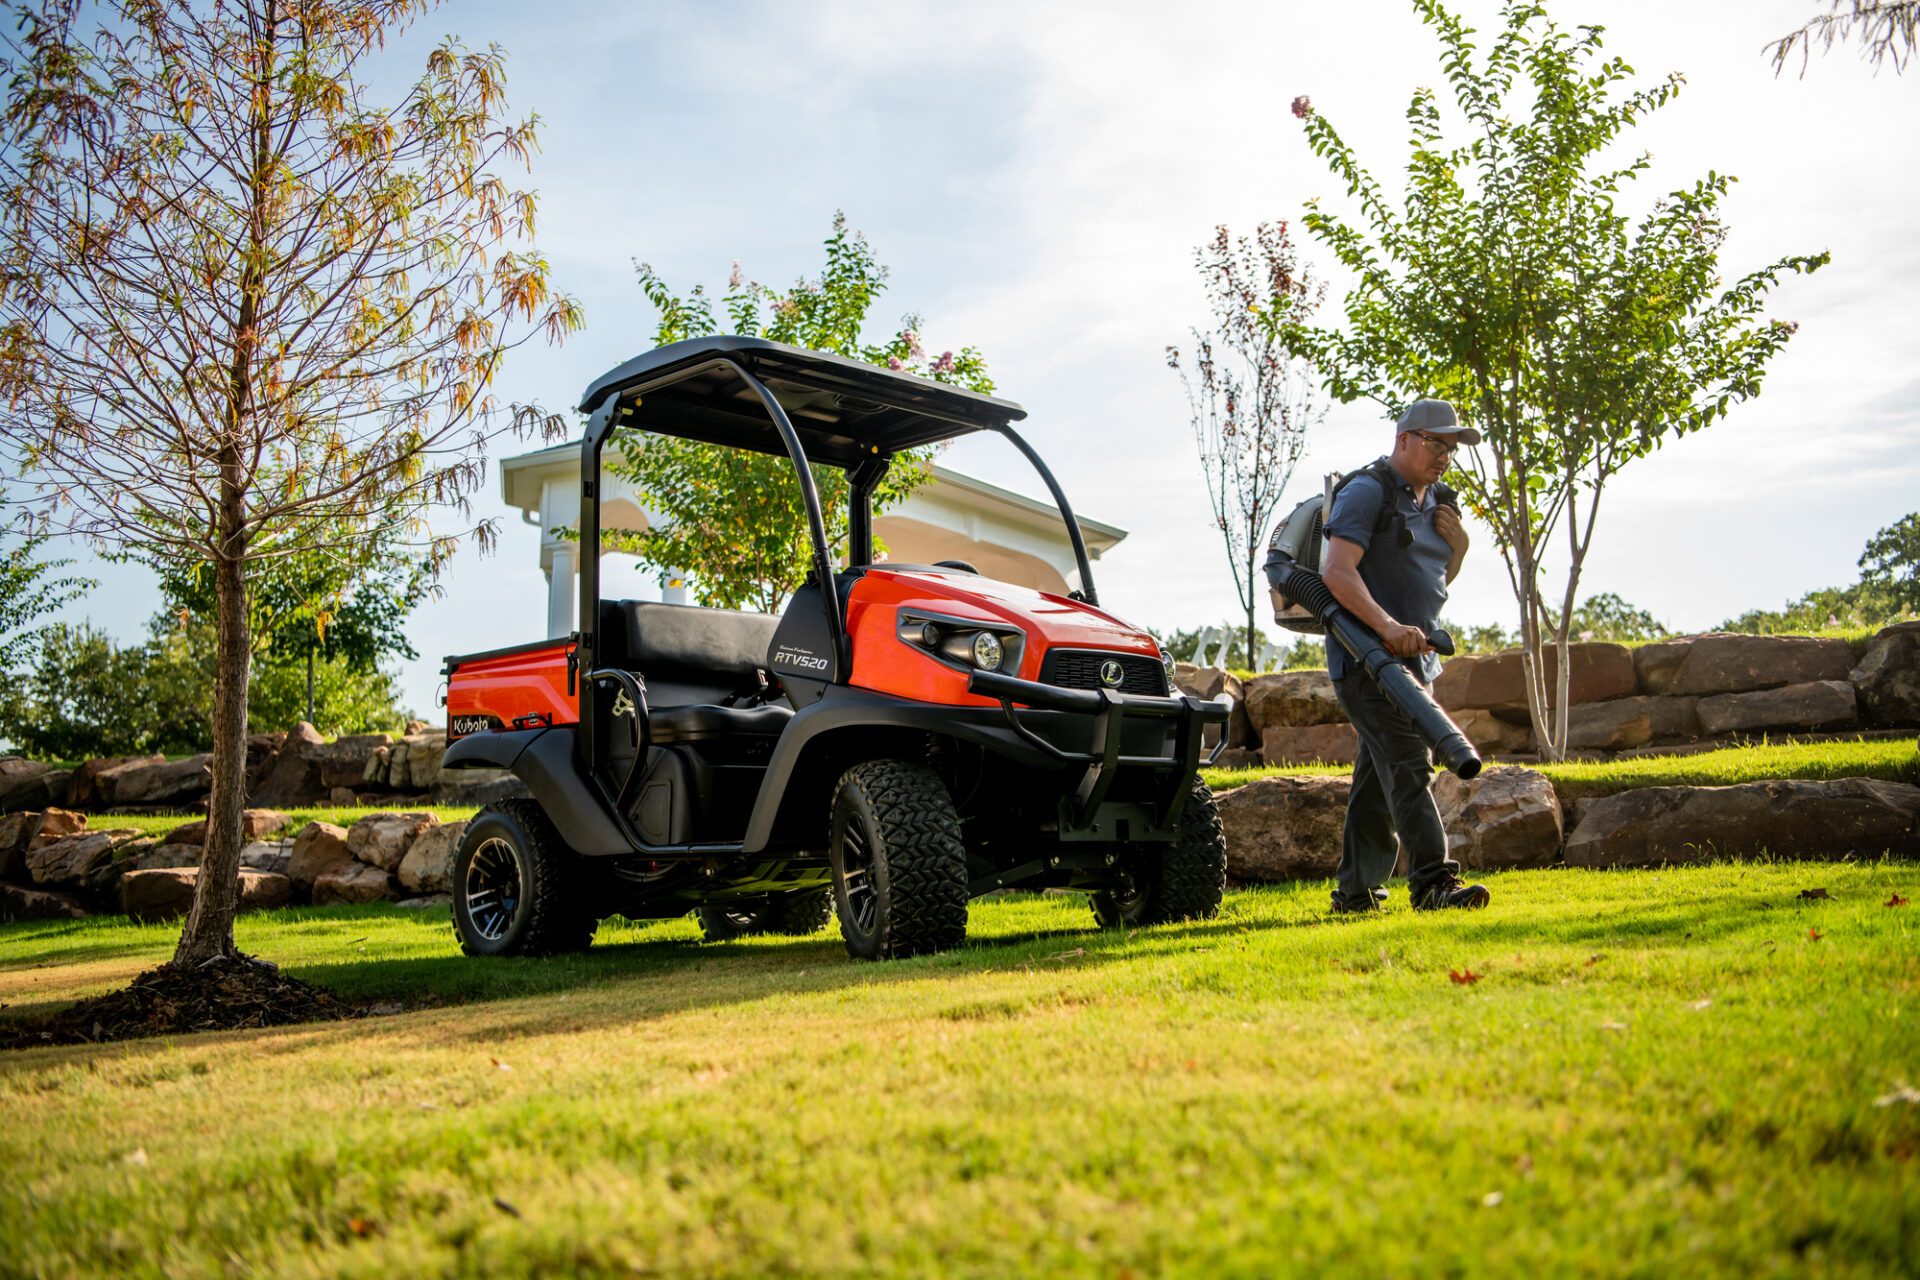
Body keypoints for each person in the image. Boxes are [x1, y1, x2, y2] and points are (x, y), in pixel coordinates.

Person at [1316, 399, 1490, 913]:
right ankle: (1434, 883)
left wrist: (1458, 551)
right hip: (1366, 659)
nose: (1445, 455)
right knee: (1411, 762)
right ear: (1404, 439)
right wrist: (1389, 627)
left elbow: (1430, 582)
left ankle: (1354, 894)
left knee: (1379, 777)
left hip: (1418, 664)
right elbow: (1337, 572)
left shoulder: (1439, 502)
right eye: (1436, 443)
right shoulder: (1367, 492)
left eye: (1451, 447)